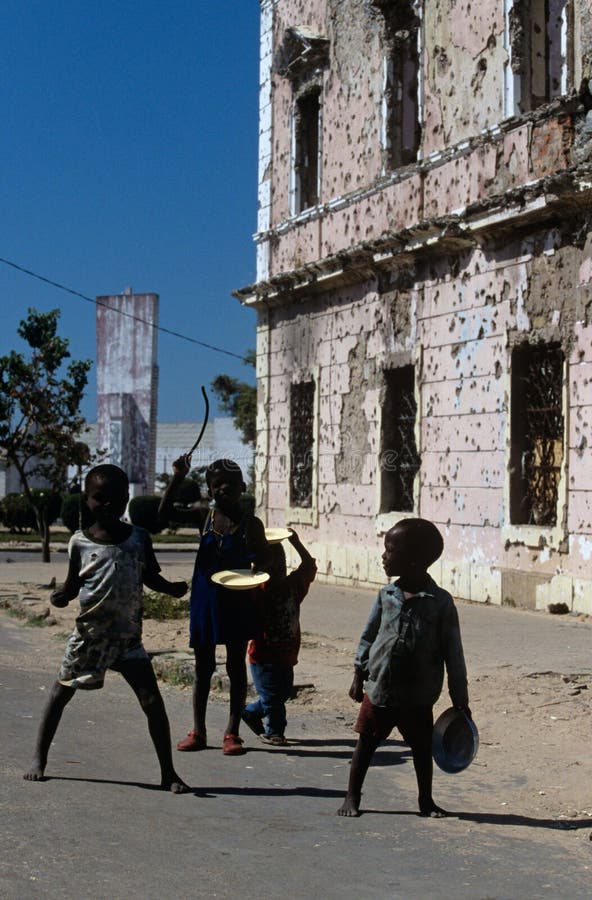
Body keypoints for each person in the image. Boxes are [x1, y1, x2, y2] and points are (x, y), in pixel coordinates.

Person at [23, 464, 190, 793]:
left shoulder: (139, 539)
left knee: (152, 703)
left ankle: (168, 773)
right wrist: (61, 597)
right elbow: (72, 586)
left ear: (126, 498)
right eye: (100, 497)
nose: (108, 504)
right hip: (89, 639)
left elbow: (150, 576)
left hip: (128, 640)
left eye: (115, 497)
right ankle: (39, 758)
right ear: (86, 500)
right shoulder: (79, 543)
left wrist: (171, 589)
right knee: (59, 694)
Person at [336, 518, 471, 818]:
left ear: (413, 559)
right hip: (380, 688)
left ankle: (426, 801)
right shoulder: (386, 595)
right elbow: (369, 636)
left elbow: (454, 655)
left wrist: (460, 701)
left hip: (418, 695)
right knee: (366, 744)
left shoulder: (440, 603)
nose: (384, 556)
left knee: (422, 749)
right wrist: (358, 674)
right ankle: (352, 796)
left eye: (390, 550)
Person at [158, 455, 269, 756]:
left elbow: (265, 560)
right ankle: (199, 730)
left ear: (242, 487)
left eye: (230, 484)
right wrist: (178, 477)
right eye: (217, 484)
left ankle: (232, 732)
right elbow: (163, 515)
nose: (223, 489)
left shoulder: (251, 525)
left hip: (238, 600)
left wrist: (256, 575)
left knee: (235, 666)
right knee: (203, 667)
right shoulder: (202, 517)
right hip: (205, 601)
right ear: (208, 490)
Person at [241, 529, 317, 746]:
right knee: (273, 698)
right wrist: (257, 570)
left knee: (280, 695)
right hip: (263, 657)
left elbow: (309, 565)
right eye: (271, 564)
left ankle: (249, 712)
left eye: (281, 561)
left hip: (287, 655)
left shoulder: (293, 586)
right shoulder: (257, 590)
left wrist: (297, 543)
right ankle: (274, 731)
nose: (278, 567)